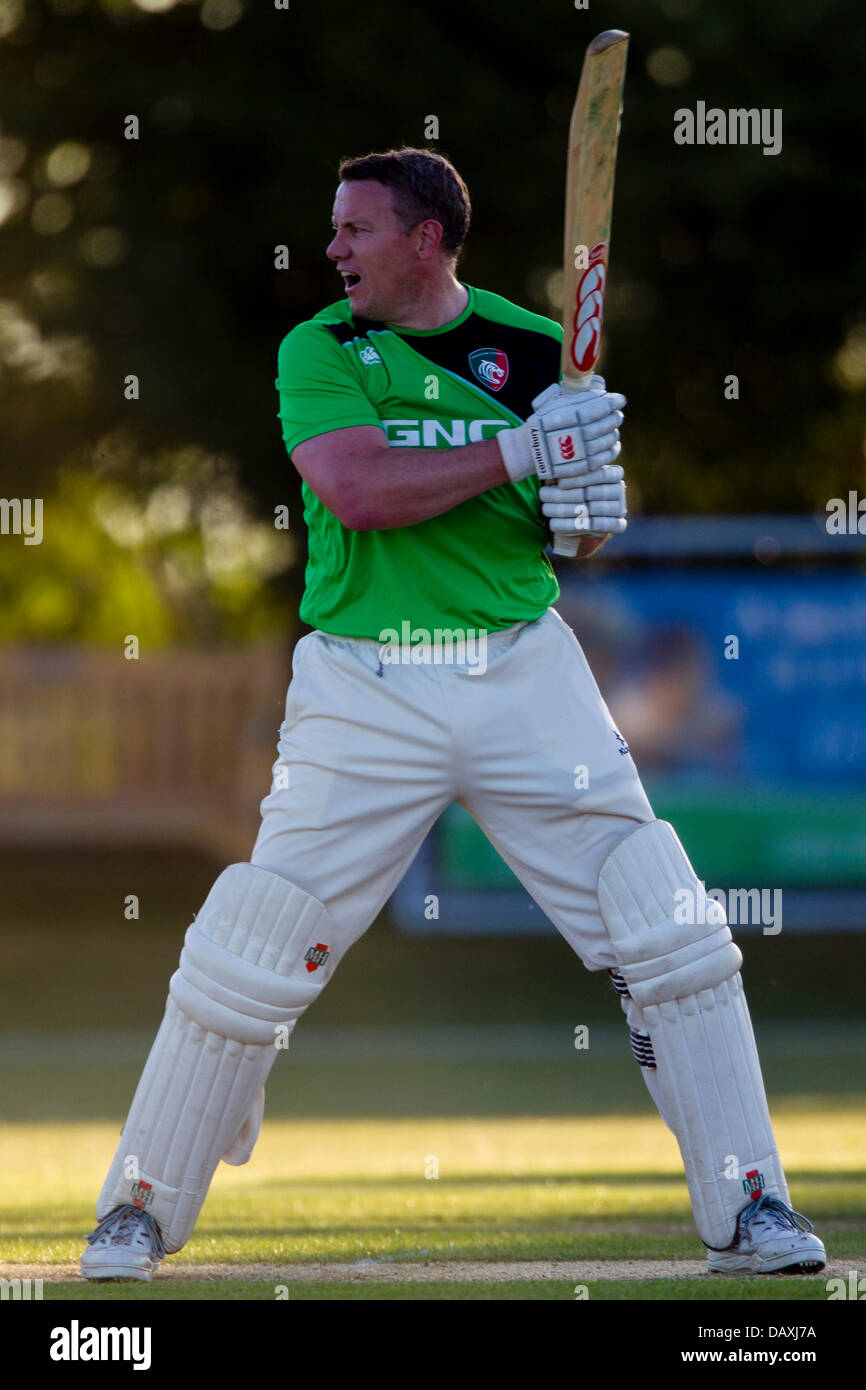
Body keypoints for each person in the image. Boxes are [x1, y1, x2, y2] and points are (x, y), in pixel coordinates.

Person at [81, 147, 824, 1282]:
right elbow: (358, 491)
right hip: (363, 683)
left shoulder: (535, 352)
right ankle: (136, 1204)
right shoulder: (323, 348)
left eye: (355, 229)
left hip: (522, 671)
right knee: (251, 944)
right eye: (333, 230)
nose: (331, 249)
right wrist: (524, 448)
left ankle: (752, 1204)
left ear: (426, 238)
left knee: (665, 924)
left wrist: (584, 497)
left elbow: (570, 540)